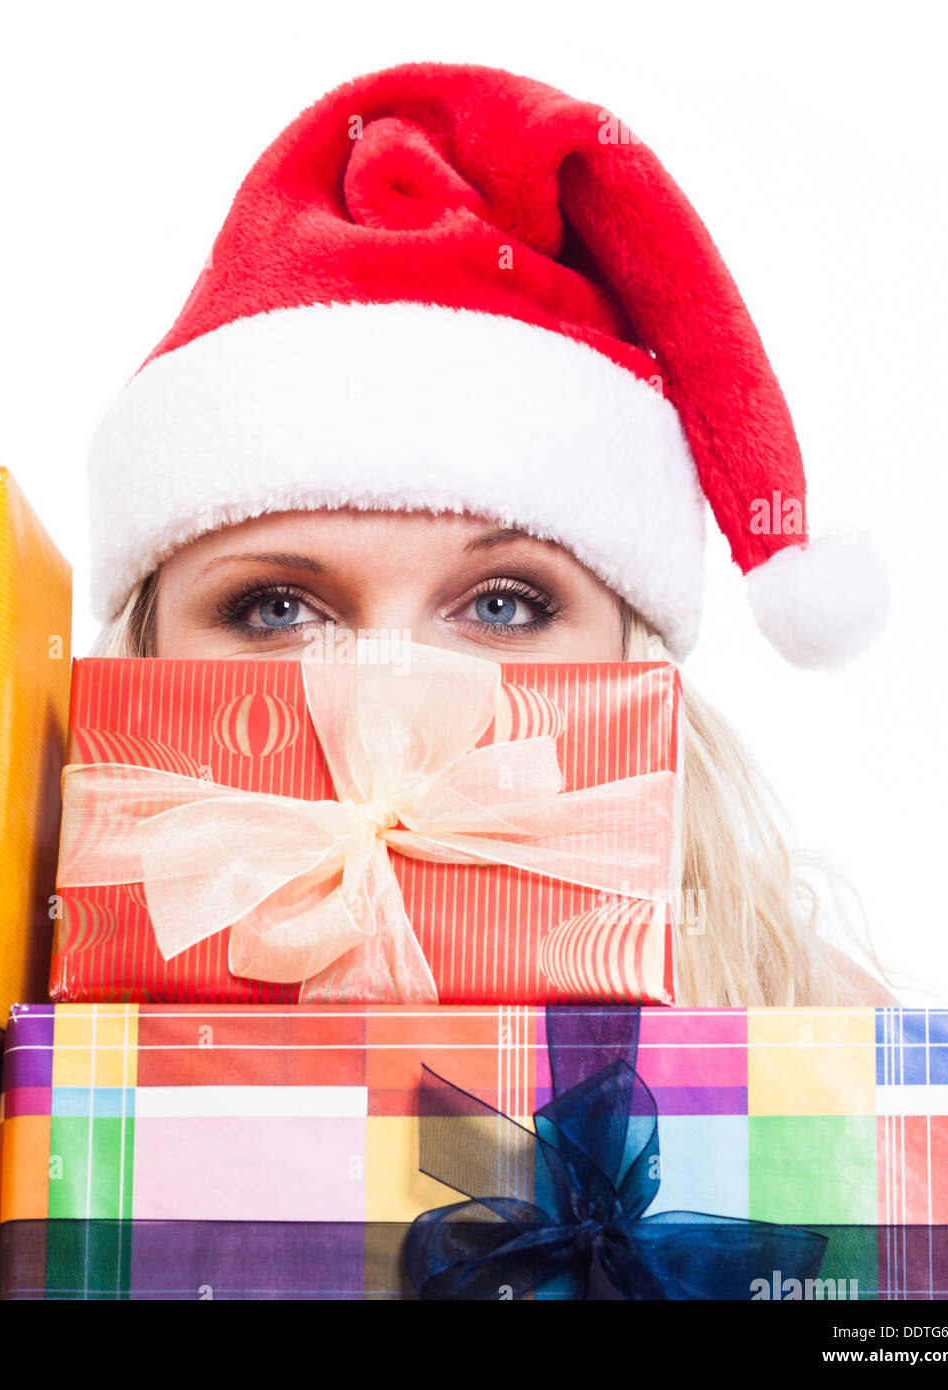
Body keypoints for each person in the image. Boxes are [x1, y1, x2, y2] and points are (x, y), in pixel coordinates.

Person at [87, 62, 892, 1007]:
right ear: (144, 652)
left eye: (504, 606)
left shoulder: (847, 1094)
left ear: (633, 662)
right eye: (274, 608)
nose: (393, 711)